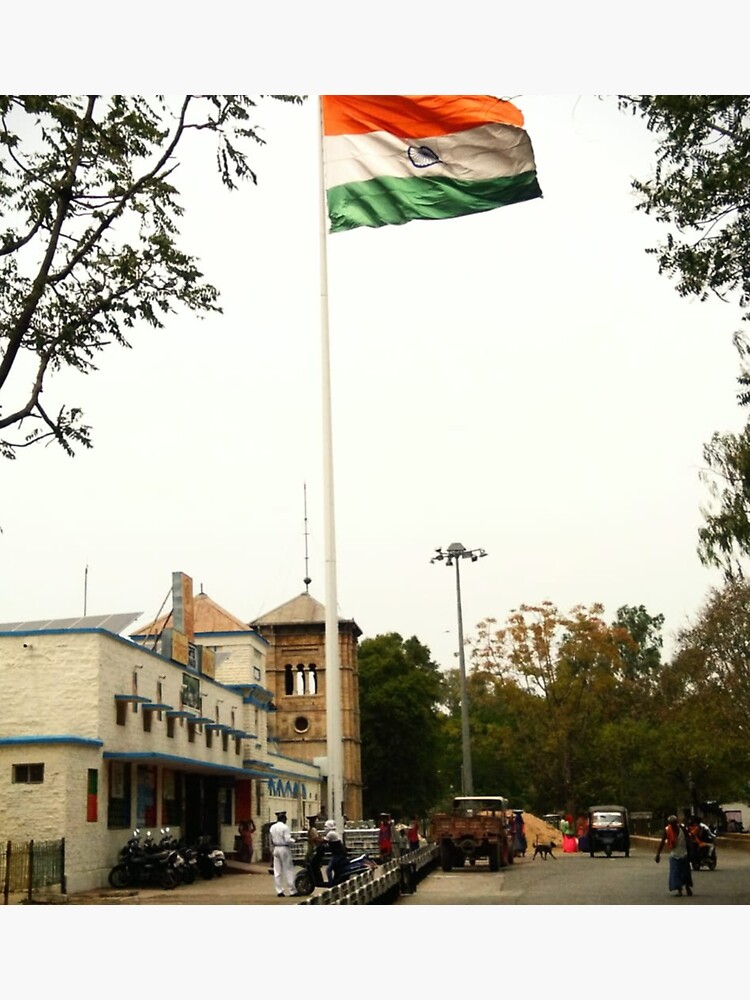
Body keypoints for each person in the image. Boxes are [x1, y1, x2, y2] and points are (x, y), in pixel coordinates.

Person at [655, 814, 694, 897]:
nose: (673, 826)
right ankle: (679, 889)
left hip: (684, 853)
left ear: (677, 823)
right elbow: (662, 842)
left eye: (674, 824)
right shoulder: (667, 830)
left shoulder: (683, 829)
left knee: (686, 873)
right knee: (675, 873)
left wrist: (691, 850)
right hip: (674, 854)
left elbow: (688, 839)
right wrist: (658, 854)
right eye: (671, 824)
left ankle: (687, 887)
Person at [269, 809, 297, 897]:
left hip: (276, 848)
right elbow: (287, 840)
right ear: (284, 819)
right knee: (288, 869)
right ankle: (292, 890)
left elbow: (270, 839)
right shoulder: (285, 827)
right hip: (284, 848)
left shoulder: (272, 827)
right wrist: (294, 840)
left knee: (277, 870)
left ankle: (279, 890)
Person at [323, 818, 347, 885]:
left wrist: (315, 840)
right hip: (340, 853)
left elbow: (324, 841)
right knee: (335, 869)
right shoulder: (334, 833)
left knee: (328, 870)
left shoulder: (331, 834)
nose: (324, 828)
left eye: (325, 826)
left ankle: (331, 884)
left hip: (338, 854)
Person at [305, 814, 325, 886]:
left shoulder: (311, 829)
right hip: (313, 851)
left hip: (312, 851)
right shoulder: (313, 829)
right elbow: (315, 839)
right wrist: (323, 840)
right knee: (315, 866)